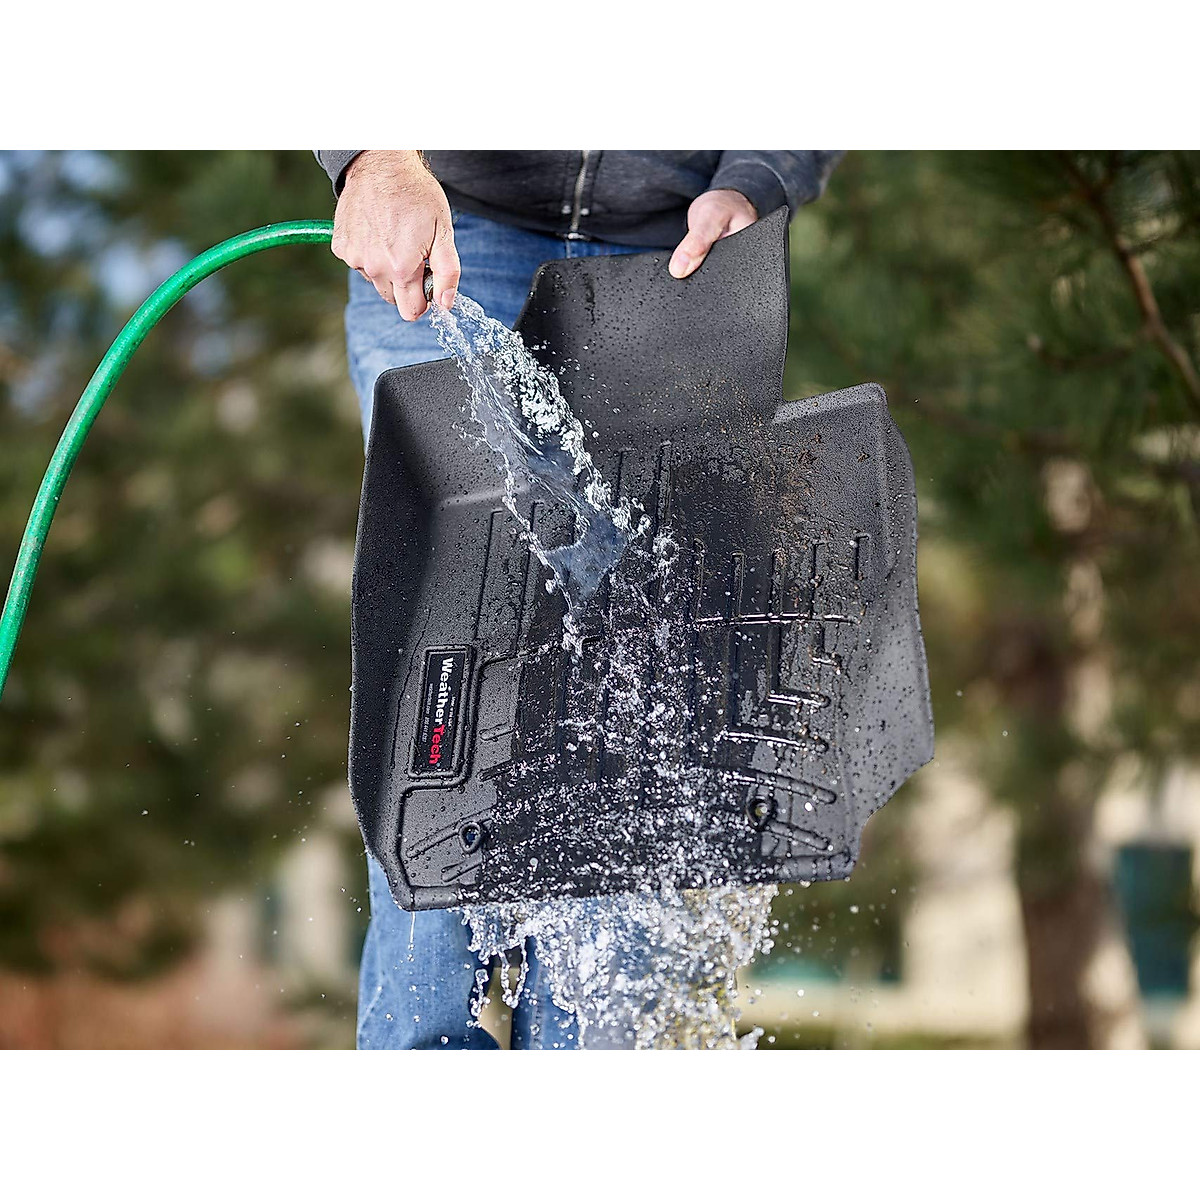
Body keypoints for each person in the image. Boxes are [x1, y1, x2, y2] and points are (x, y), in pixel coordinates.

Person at [319, 150, 841, 1049]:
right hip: (453, 229)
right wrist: (371, 154)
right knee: (451, 657)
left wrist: (759, 174)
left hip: (677, 255)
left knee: (640, 677)